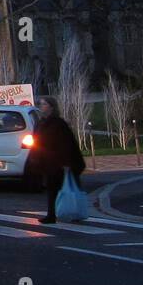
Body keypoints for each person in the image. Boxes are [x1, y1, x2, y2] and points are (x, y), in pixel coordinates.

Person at [34, 95, 85, 223]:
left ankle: (72, 212)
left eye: (44, 104)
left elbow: (66, 144)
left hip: (59, 162)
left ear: (51, 107)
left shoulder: (58, 123)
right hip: (48, 160)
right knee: (52, 188)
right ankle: (51, 214)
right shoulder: (41, 123)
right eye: (40, 104)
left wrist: (67, 162)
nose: (41, 107)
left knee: (66, 188)